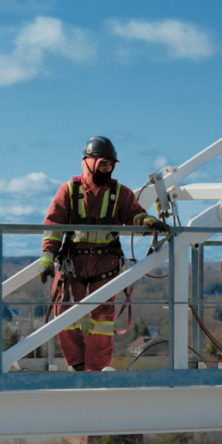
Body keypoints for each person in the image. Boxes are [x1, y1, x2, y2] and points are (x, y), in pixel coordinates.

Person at [37, 136, 167, 372]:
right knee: (63, 312)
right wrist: (47, 258)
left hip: (105, 263)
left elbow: (134, 215)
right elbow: (54, 225)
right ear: (89, 163)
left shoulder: (120, 193)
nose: (107, 169)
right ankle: (78, 365)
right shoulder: (69, 190)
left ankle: (95, 369)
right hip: (73, 262)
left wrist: (147, 221)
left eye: (110, 165)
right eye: (103, 164)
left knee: (103, 318)